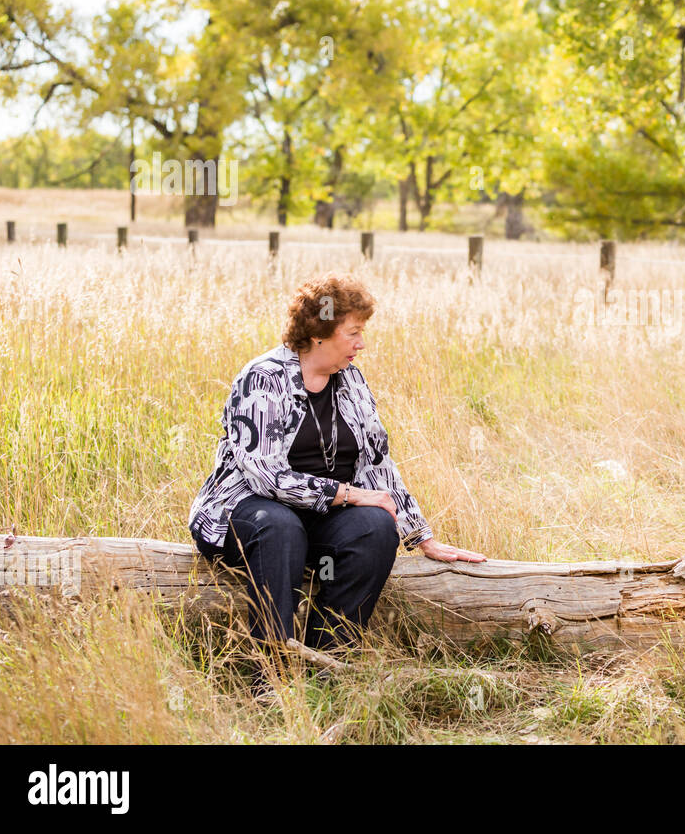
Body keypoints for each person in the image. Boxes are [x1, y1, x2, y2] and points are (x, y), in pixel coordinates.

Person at [188, 271, 485, 661]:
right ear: (319, 334)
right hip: (246, 512)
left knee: (377, 528)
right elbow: (264, 474)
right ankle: (270, 668)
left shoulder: (351, 381)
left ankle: (329, 659)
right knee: (281, 527)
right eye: (354, 333)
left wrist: (420, 536)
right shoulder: (263, 379)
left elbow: (377, 461)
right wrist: (346, 493)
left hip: (318, 515)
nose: (361, 344)